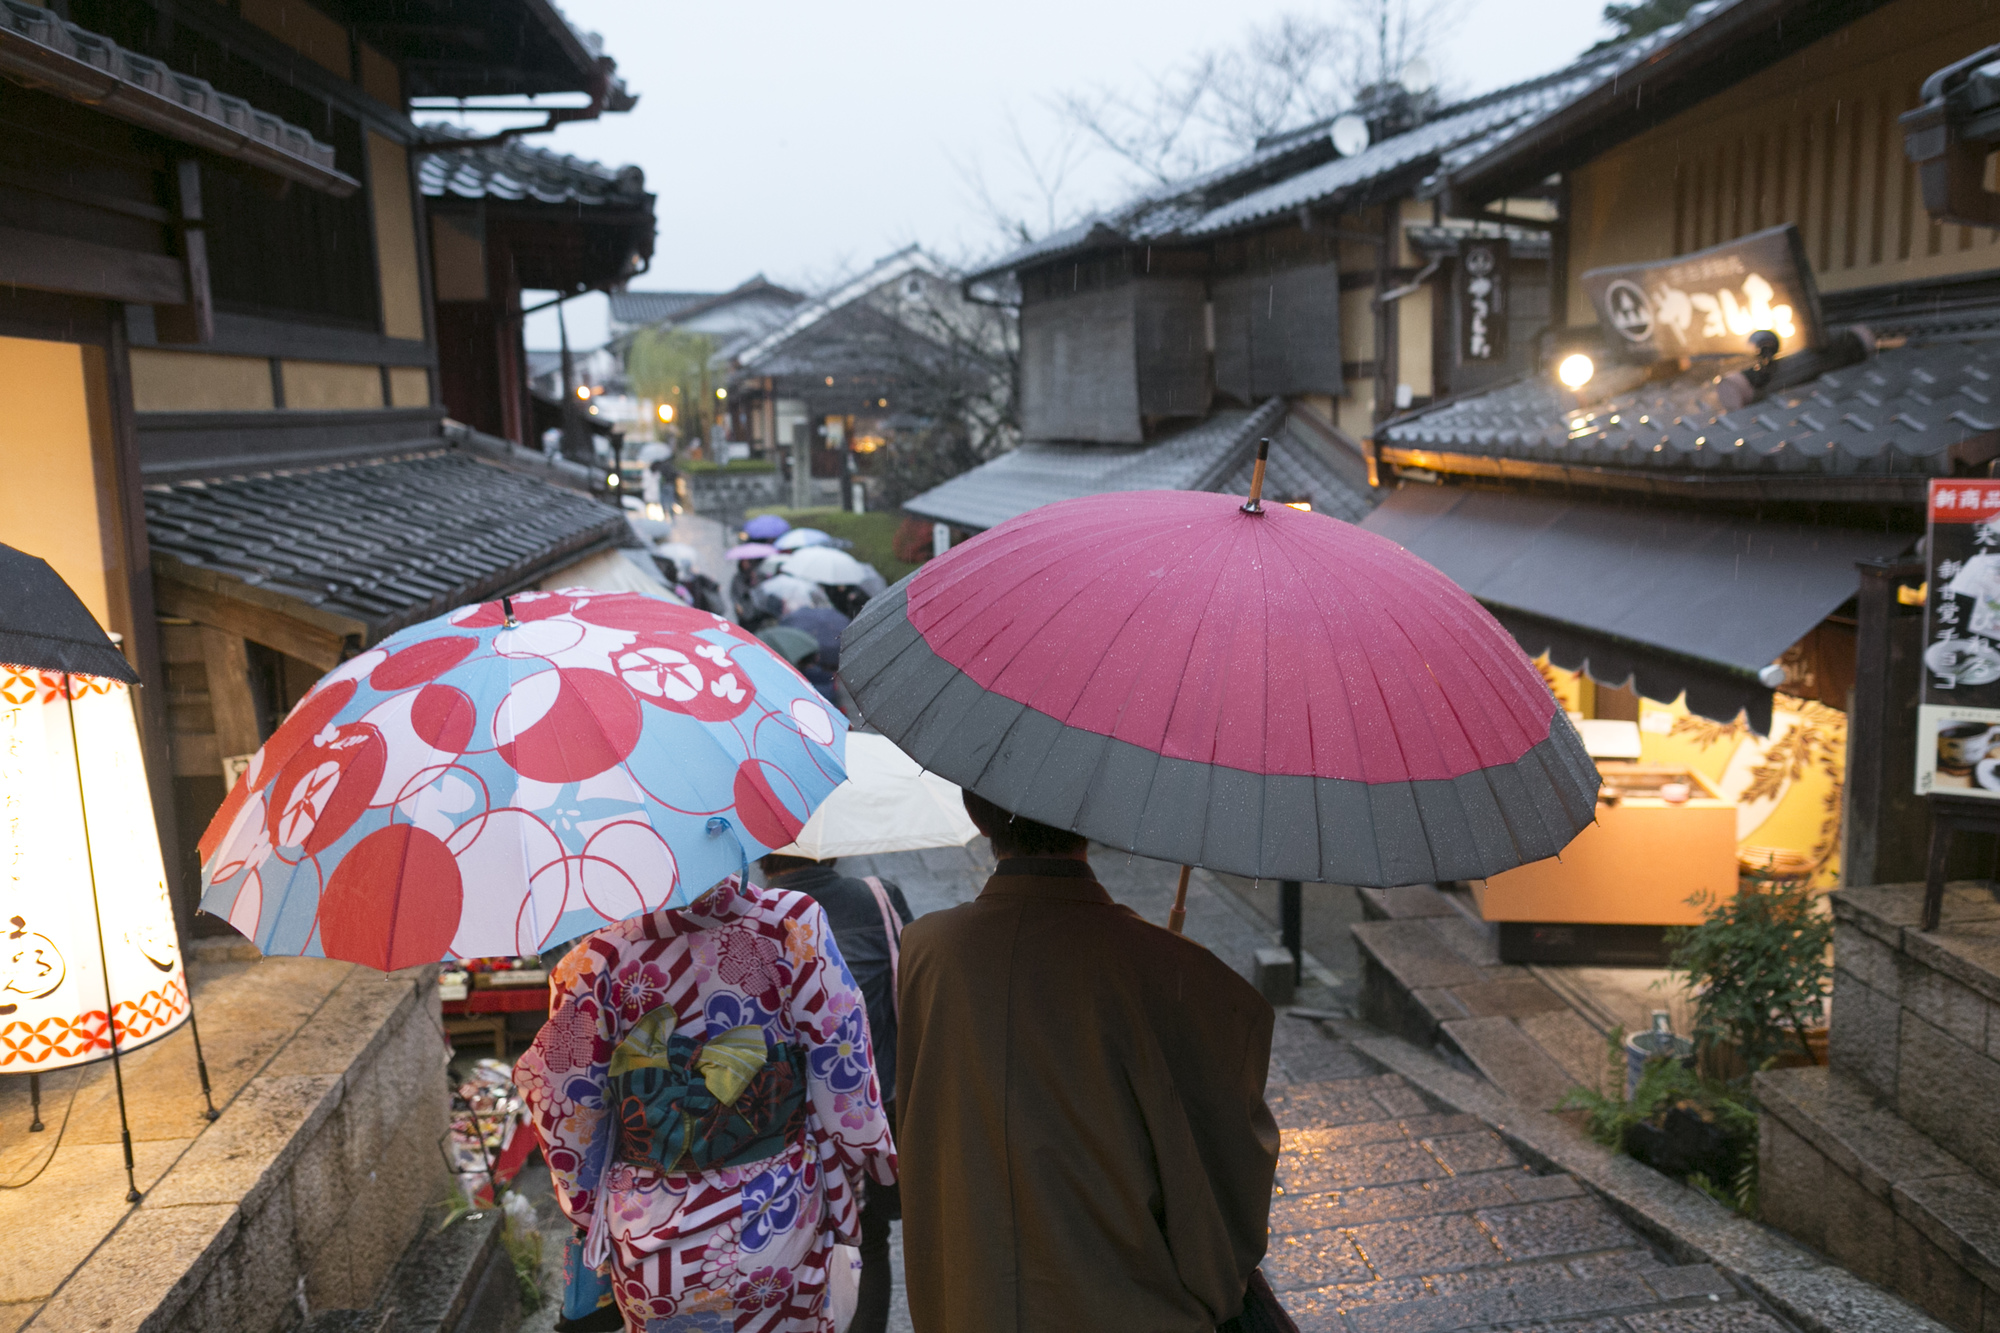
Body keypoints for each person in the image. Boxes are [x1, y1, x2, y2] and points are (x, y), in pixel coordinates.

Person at [895, 794, 1279, 1332]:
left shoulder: (925, 950)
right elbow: (1228, 1168)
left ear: (977, 814)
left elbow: (921, 1129)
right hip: (1132, 1303)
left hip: (973, 1297)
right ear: (1100, 819)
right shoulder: (1179, 974)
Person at [516, 874, 898, 1331]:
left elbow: (565, 1107)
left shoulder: (594, 962)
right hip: (778, 1215)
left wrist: (587, 1204)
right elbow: (842, 1061)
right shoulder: (791, 922)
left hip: (651, 1239)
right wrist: (854, 1167)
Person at [759, 853, 913, 1333]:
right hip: (873, 1111)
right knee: (867, 1241)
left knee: (788, 1247)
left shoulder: (750, 917)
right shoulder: (877, 898)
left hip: (781, 1133)